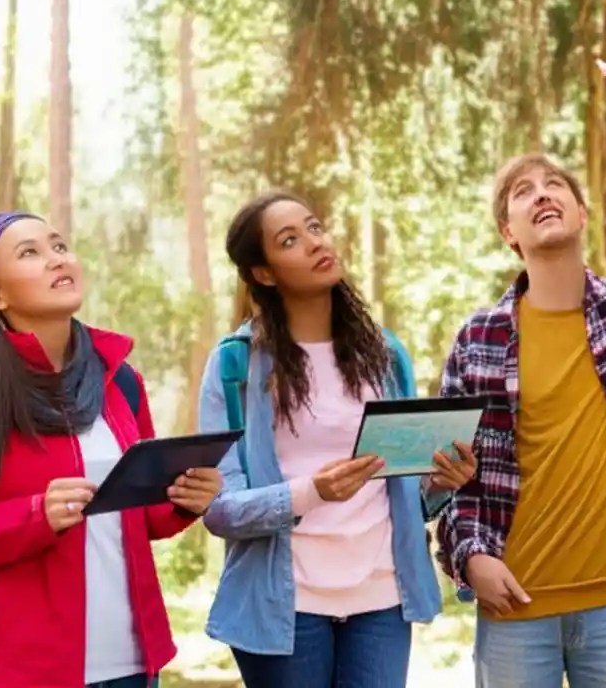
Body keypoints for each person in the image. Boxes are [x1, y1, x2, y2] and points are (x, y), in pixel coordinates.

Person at [434, 46, 606, 688]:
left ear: (581, 214)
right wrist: (469, 560)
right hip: (515, 602)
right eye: (523, 193)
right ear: (508, 233)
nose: (541, 195)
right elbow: (454, 472)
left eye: (555, 188)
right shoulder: (478, 338)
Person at [0, 212, 222, 688]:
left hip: (134, 664)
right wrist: (33, 516)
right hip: (19, 672)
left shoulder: (122, 382)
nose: (56, 259)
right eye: (29, 253)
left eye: (58, 246)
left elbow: (140, 516)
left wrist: (184, 498)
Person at [197, 193, 479, 688]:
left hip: (382, 599)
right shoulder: (235, 365)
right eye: (290, 240)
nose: (313, 243)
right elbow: (220, 509)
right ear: (263, 273)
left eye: (314, 227)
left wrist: (439, 483)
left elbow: (404, 493)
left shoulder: (386, 355)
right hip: (286, 604)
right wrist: (312, 492)